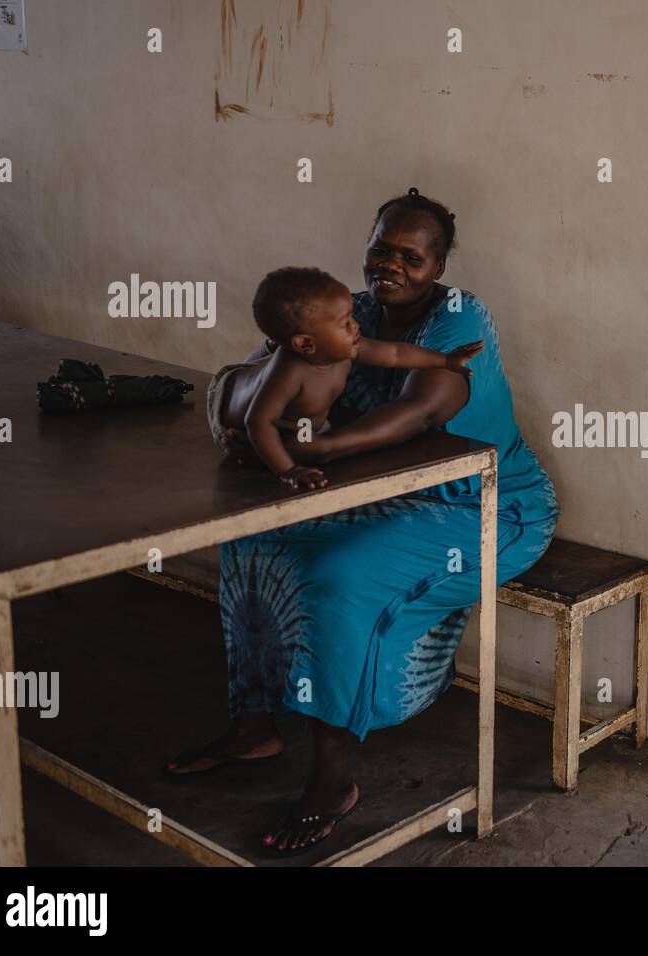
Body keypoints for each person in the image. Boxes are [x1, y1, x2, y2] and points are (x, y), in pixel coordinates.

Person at [169, 188, 559, 850]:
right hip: (391, 495)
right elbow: (250, 381)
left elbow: (418, 414)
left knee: (341, 578)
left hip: (488, 507)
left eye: (412, 256)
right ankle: (256, 725)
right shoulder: (347, 314)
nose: (392, 264)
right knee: (251, 539)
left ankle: (332, 781)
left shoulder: (458, 319)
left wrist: (310, 448)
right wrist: (254, 406)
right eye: (383, 248)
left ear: (438, 266)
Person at [206, 266, 482, 490]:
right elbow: (258, 421)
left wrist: (445, 360)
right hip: (231, 405)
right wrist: (288, 470)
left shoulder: (344, 347)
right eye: (345, 322)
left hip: (300, 421)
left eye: (351, 315)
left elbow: (396, 354)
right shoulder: (289, 371)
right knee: (260, 443)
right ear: (306, 344)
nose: (356, 324)